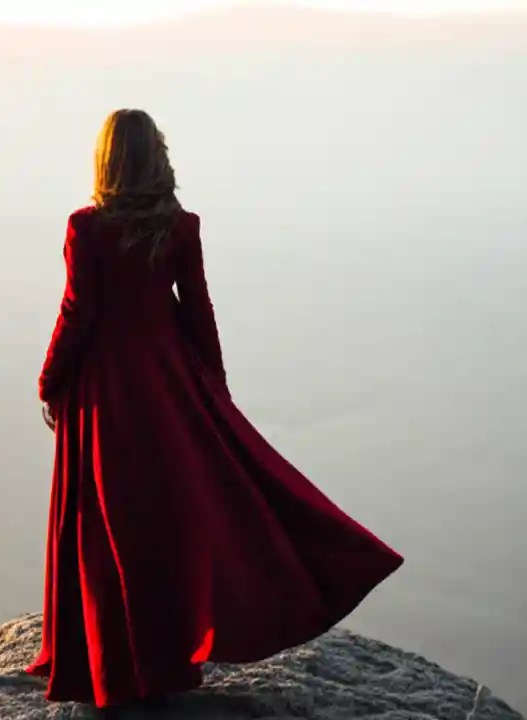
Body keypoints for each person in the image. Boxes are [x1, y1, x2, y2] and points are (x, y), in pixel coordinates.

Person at [24, 108, 404, 710]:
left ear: (107, 160)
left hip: (106, 392)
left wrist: (50, 381)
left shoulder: (87, 228)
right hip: (170, 385)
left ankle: (107, 662)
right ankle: (164, 657)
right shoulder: (179, 226)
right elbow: (198, 308)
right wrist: (213, 393)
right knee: (169, 518)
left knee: (108, 522)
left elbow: (78, 314)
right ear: (156, 158)